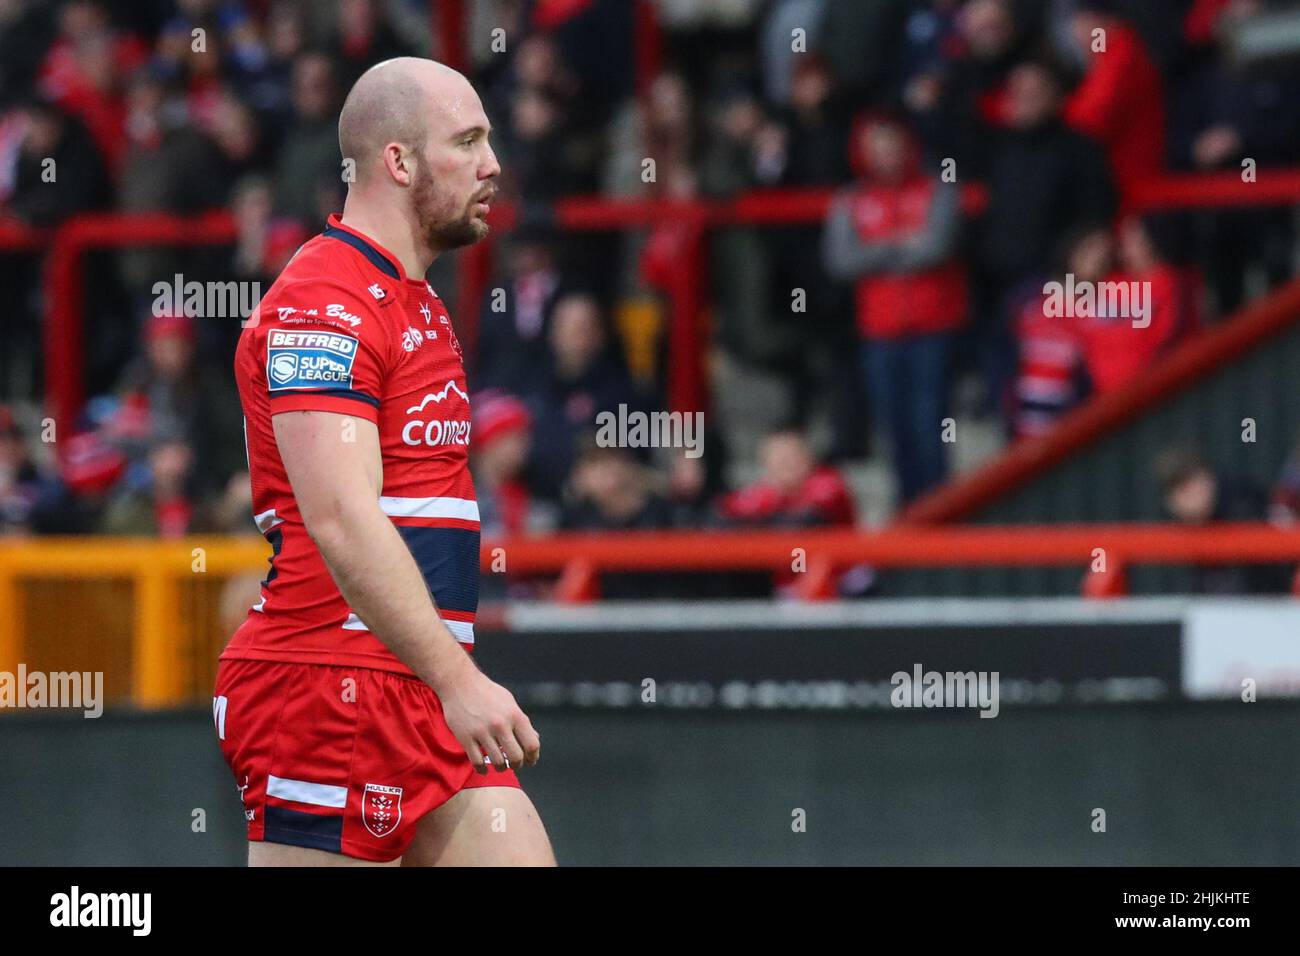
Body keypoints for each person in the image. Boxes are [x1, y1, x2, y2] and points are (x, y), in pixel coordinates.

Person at [215, 57, 554, 867]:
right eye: (466, 141)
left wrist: (444, 681)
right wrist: (459, 680)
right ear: (397, 162)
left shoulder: (418, 299)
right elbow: (341, 514)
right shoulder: (321, 303)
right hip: (327, 684)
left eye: (490, 140)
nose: (491, 164)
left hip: (412, 684)